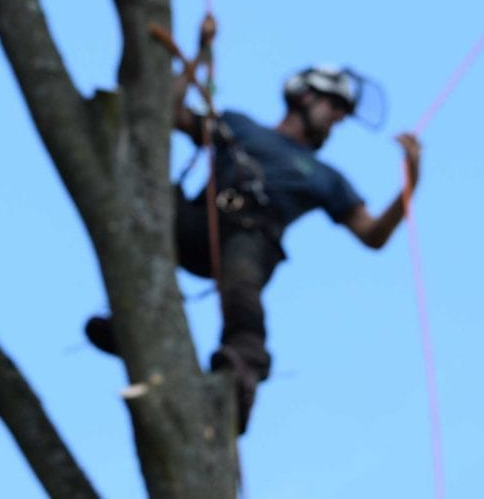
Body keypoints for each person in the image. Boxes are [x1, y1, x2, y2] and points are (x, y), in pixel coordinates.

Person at [86, 65, 422, 433]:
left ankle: (238, 374)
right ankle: (131, 315)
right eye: (333, 106)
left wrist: (408, 186)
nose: (337, 119)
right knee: (149, 194)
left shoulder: (325, 176)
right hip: (200, 226)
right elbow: (169, 112)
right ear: (305, 96)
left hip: (251, 241)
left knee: (242, 291)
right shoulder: (240, 126)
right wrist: (198, 57)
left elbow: (372, 234)